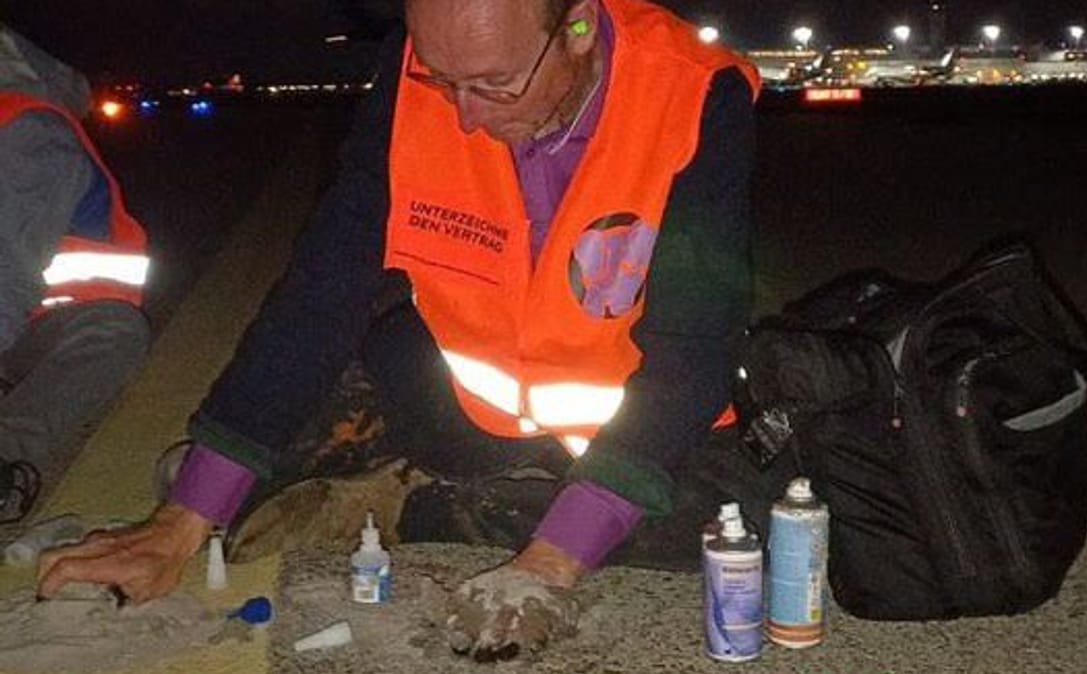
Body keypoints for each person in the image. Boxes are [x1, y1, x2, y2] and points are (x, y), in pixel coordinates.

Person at [39, 0, 771, 659]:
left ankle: (424, 503)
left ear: (578, 27)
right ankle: (410, 490)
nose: (466, 118)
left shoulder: (695, 95)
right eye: (443, 81)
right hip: (461, 406)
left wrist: (551, 563)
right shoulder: (421, 69)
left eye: (493, 84)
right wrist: (182, 519)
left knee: (733, 534)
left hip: (639, 424)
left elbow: (693, 350)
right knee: (295, 399)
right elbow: (324, 290)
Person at [0, 25, 150, 523]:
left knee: (113, 334)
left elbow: (7, 282)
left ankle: (8, 455)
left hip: (47, 325)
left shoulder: (25, 135)